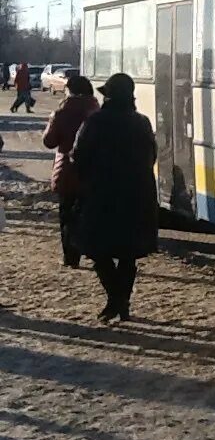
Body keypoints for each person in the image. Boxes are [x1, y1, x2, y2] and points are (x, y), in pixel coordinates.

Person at [72, 73, 159, 323]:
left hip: (102, 195)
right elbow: (151, 156)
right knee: (128, 253)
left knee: (98, 249)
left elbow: (80, 157)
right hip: (138, 195)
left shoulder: (94, 122)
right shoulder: (141, 122)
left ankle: (116, 300)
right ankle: (121, 301)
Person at [42, 75, 100, 267]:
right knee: (90, 213)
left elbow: (49, 142)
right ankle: (93, 252)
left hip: (67, 170)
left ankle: (71, 257)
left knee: (67, 215)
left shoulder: (61, 112)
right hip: (93, 171)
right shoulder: (96, 111)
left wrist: (51, 121)